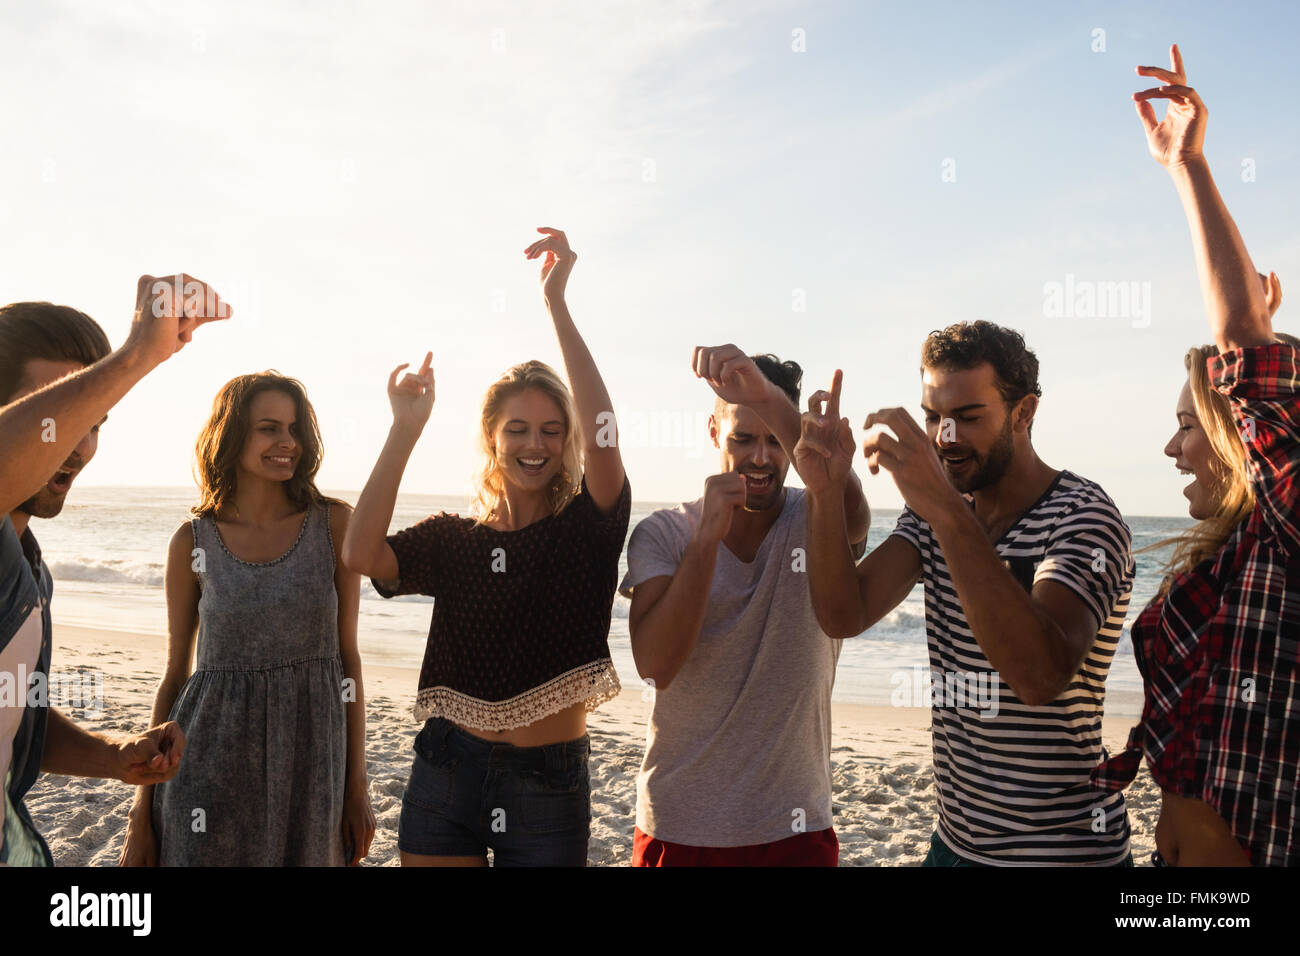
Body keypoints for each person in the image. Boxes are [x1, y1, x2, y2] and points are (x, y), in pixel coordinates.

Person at [794, 321, 1136, 865]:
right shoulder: (937, 513)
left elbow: (1038, 675)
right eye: (933, 417)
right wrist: (824, 488)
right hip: (953, 845)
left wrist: (949, 513)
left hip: (1060, 854)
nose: (945, 438)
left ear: (1024, 413)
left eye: (968, 417)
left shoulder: (1083, 517)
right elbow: (844, 612)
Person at [343, 227, 629, 867]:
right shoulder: (454, 539)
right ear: (492, 438)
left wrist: (557, 303)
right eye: (518, 429)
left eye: (553, 430)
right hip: (447, 769)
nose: (536, 444)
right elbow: (361, 554)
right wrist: (404, 430)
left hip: (547, 783)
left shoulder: (586, 529)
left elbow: (605, 436)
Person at [1091, 45, 1300, 866]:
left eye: (1189, 425)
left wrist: (1189, 168)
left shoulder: (1288, 535)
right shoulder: (1242, 553)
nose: (1171, 446)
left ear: (1234, 435)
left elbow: (1244, 351)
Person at [0, 276, 224, 865]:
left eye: (96, 420)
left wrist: (113, 756)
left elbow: (16, 719)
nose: (76, 440)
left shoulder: (30, 567)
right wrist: (136, 356)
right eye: (56, 413)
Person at [619, 347, 870, 866]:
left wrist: (769, 402)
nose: (760, 458)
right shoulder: (664, 534)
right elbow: (657, 665)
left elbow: (853, 516)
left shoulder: (819, 515)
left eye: (775, 441)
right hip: (681, 825)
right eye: (742, 439)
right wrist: (707, 540)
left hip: (796, 825)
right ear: (714, 433)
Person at [122, 373, 375, 866]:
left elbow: (348, 662)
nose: (288, 442)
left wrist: (356, 787)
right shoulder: (192, 542)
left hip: (311, 763)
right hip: (209, 759)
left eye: (294, 429)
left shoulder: (335, 525)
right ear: (231, 435)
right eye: (269, 428)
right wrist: (141, 811)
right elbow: (176, 676)